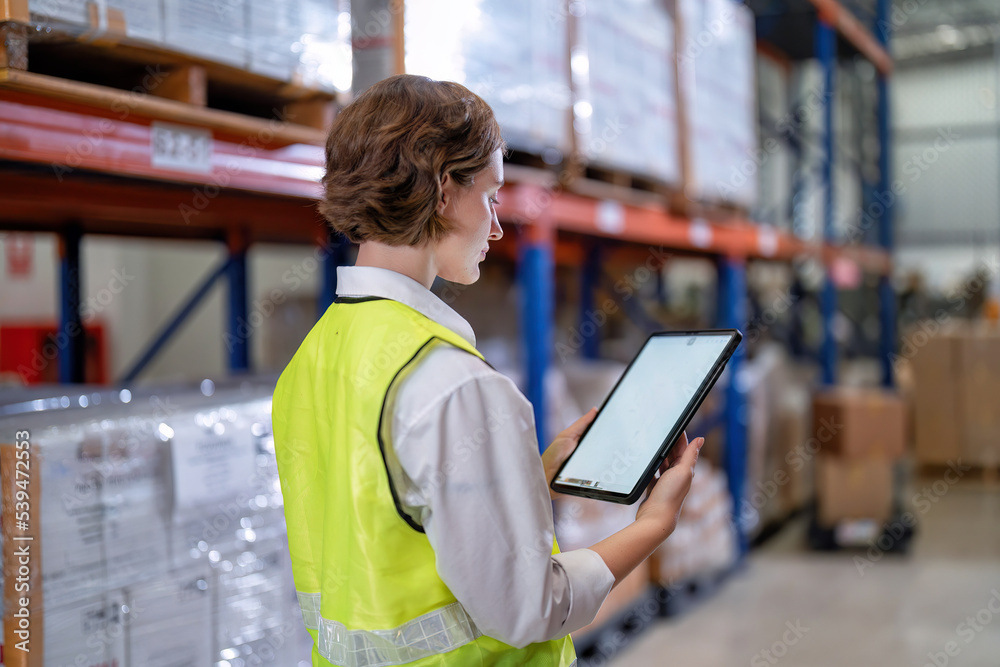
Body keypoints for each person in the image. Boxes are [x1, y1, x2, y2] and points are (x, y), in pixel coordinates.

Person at [271, 74, 704, 667]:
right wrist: (653, 524)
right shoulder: (454, 384)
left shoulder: (311, 361)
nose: (497, 227)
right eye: (492, 196)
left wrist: (526, 477)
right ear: (443, 189)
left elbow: (386, 524)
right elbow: (530, 608)